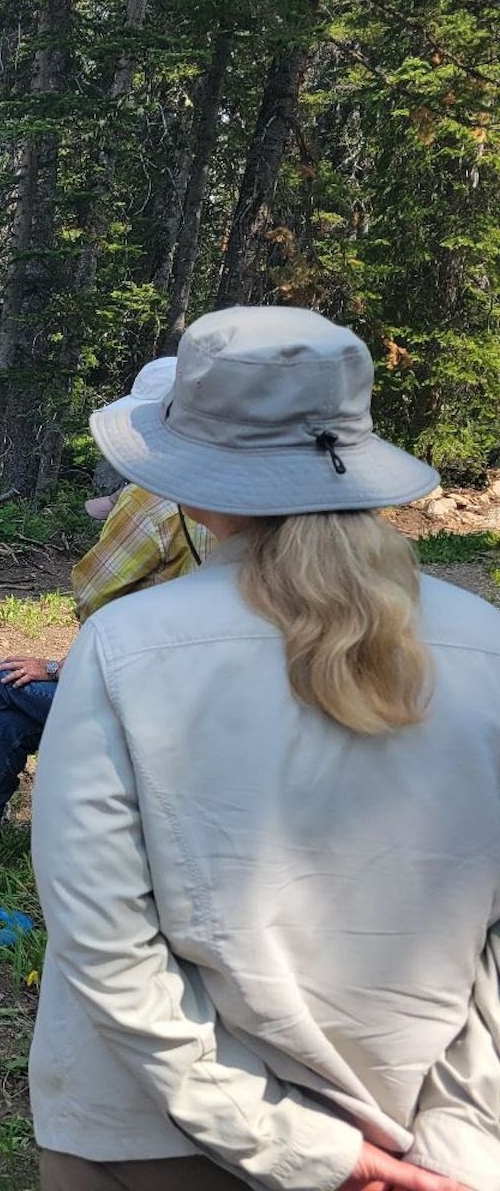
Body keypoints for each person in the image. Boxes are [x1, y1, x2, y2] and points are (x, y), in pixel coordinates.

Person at [30, 306, 495, 1191]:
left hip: (148, 1134)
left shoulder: (128, 647)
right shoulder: (486, 646)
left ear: (197, 481)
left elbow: (103, 939)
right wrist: (461, 1139)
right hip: (417, 1127)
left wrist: (292, 1146)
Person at [0, 360, 212, 857]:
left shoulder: (151, 498)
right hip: (185, 686)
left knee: (5, 682)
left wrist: (55, 666)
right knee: (12, 718)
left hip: (138, 694)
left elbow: (95, 591)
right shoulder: (214, 495)